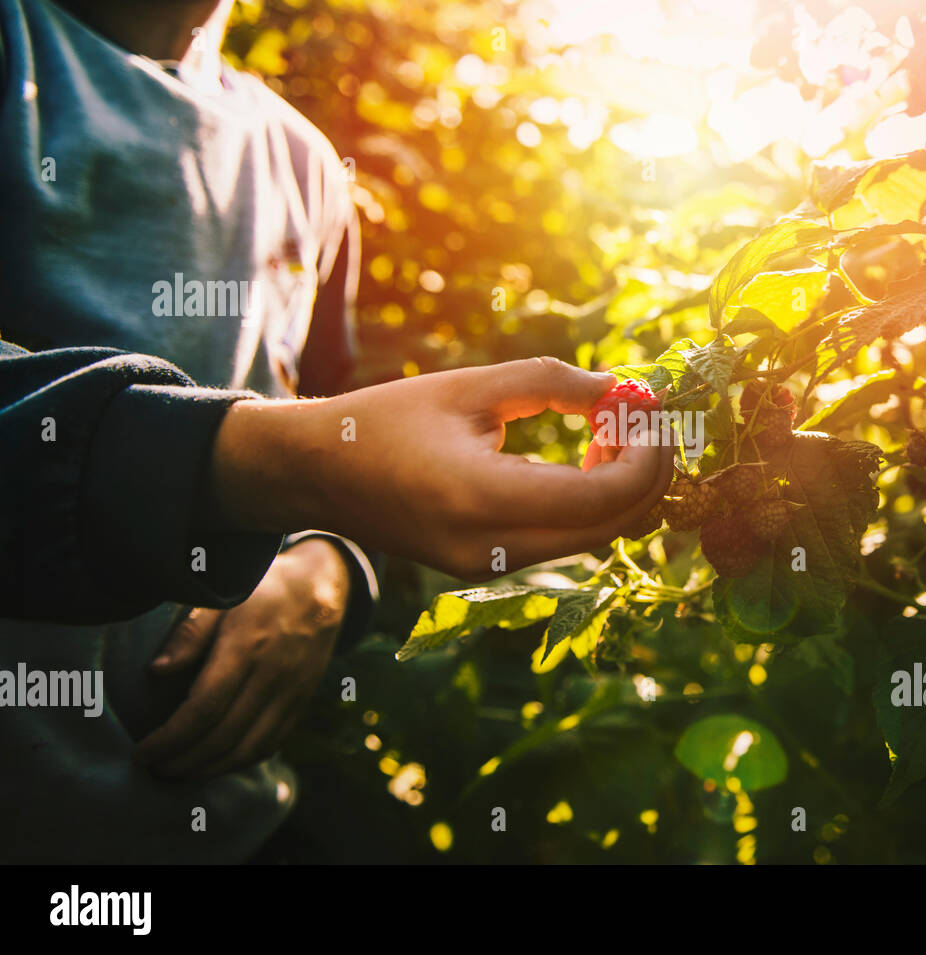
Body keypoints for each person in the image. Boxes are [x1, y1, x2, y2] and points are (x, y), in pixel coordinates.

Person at [0, 0, 671, 862]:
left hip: (229, 820)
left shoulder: (305, 163)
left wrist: (331, 567)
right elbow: (300, 452)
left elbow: (326, 421)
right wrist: (271, 468)